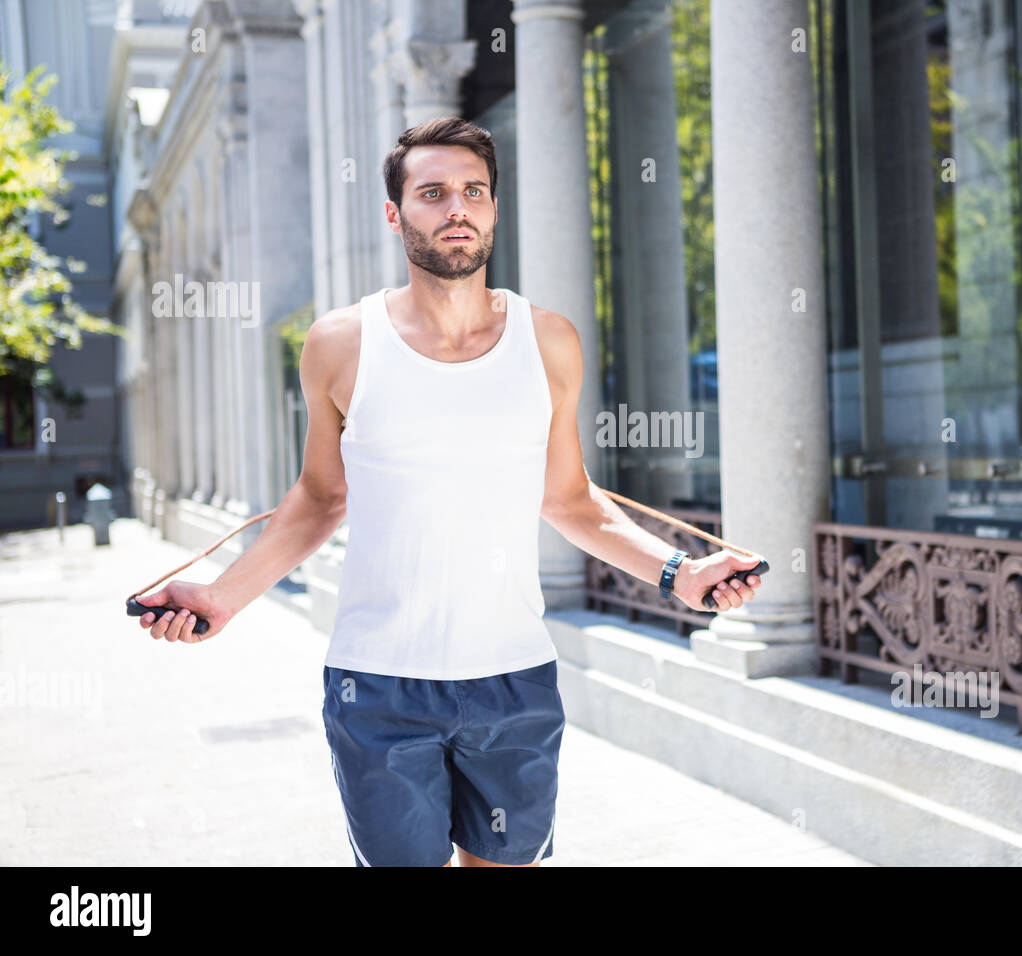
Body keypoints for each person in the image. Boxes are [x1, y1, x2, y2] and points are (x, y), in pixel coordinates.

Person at [134, 117, 764, 867]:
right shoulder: (342, 342)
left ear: (495, 209)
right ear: (397, 215)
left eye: (474, 192)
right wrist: (224, 597)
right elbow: (319, 498)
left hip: (514, 678)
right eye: (432, 193)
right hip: (380, 684)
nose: (456, 208)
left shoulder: (550, 340)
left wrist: (680, 572)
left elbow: (569, 499)